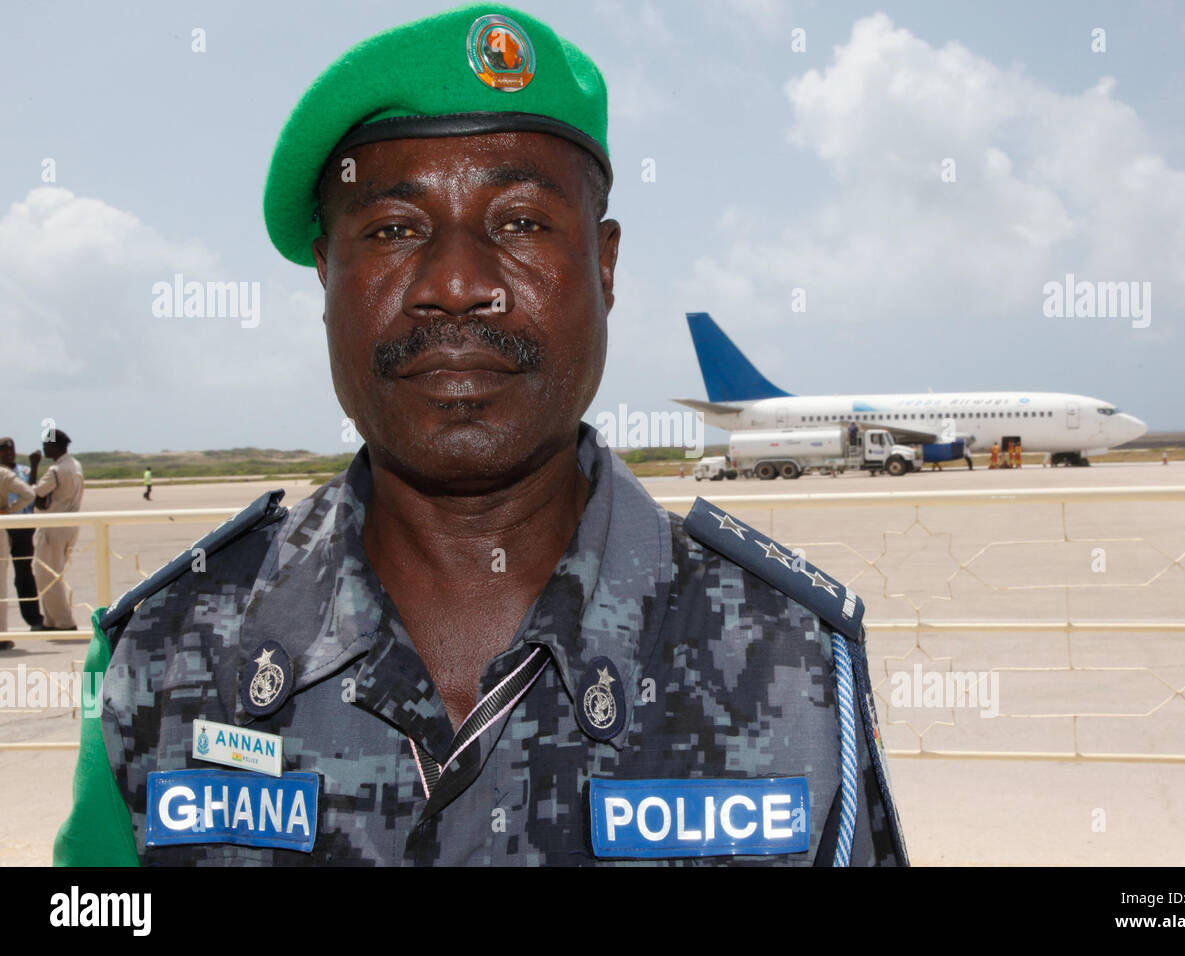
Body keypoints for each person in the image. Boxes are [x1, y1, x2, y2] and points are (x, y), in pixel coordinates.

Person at [55, 4, 905, 867]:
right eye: (393, 230)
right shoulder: (163, 654)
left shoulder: (791, 655)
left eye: (523, 223)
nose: (458, 284)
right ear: (325, 273)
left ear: (605, 267)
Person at [32, 428, 84, 631]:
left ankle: (63, 621)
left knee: (46, 573)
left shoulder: (56, 470)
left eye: (46, 446)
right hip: (70, 525)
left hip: (53, 526)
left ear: (54, 446)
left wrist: (34, 466)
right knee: (54, 571)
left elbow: (35, 494)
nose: (44, 449)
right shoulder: (75, 465)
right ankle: (51, 619)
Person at [1, 438, 43, 629]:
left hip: (21, 527)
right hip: (5, 525)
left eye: (11, 451)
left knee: (24, 574)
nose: (9, 454)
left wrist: (34, 466)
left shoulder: (24, 471)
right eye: (4, 451)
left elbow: (32, 491)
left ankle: (34, 619)